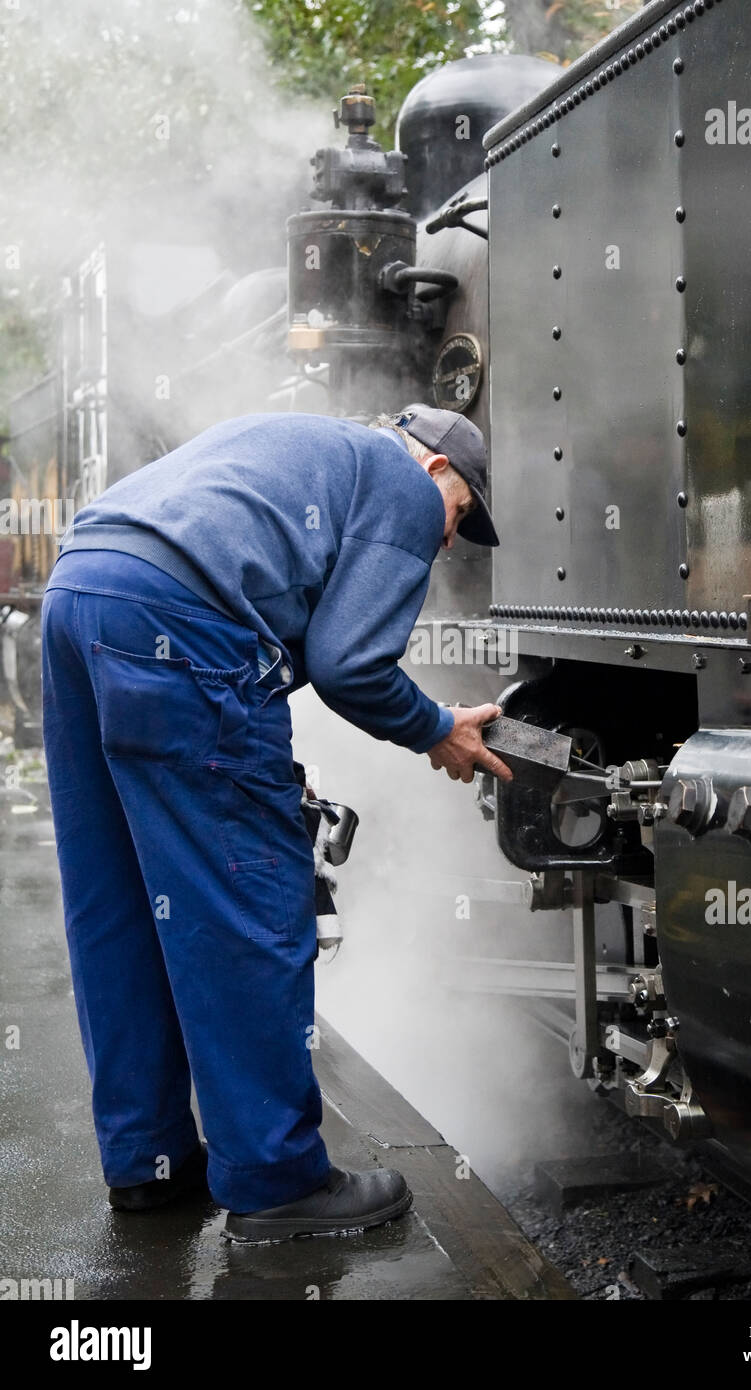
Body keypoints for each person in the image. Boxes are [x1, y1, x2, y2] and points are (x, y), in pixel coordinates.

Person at [40, 404, 513, 1242]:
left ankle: (149, 1162)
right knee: (243, 905)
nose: (444, 544)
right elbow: (349, 664)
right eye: (459, 520)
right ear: (438, 470)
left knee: (116, 900)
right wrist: (438, 727)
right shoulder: (403, 483)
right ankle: (276, 1180)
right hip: (178, 621)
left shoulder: (310, 443)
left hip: (81, 590)